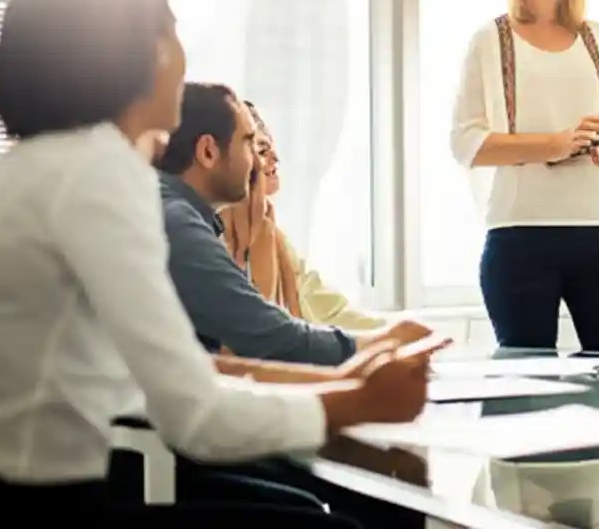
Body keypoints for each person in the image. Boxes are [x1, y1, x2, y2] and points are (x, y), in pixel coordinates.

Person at [0, 0, 437, 523]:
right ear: (134, 53)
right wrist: (358, 400)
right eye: (170, 30)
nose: (183, 56)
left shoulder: (29, 170)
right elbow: (193, 412)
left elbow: (176, 374)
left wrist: (341, 386)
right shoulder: (98, 172)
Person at [450, 0, 599, 353]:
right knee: (525, 382)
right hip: (520, 235)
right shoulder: (490, 40)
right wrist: (554, 145)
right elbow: (465, 143)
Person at [155, 83, 424, 364]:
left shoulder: (188, 217)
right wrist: (382, 343)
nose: (259, 162)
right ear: (208, 151)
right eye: (249, 143)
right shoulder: (179, 226)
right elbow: (269, 336)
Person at [218, 100, 385, 332]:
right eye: (262, 151)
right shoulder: (217, 234)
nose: (275, 158)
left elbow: (325, 304)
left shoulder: (271, 230)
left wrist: (391, 333)